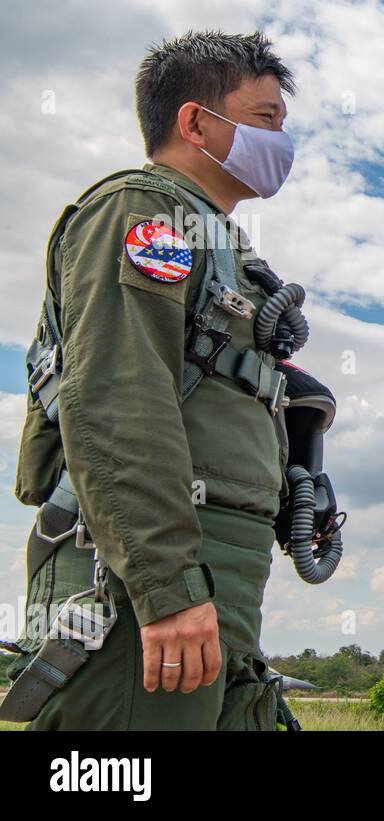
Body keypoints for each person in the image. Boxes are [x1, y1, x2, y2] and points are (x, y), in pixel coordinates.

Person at [2, 31, 308, 730]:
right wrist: (165, 586)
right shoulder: (146, 211)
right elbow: (116, 396)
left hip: (217, 560)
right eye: (265, 120)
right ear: (196, 121)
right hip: (143, 569)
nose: (282, 142)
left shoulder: (222, 243)